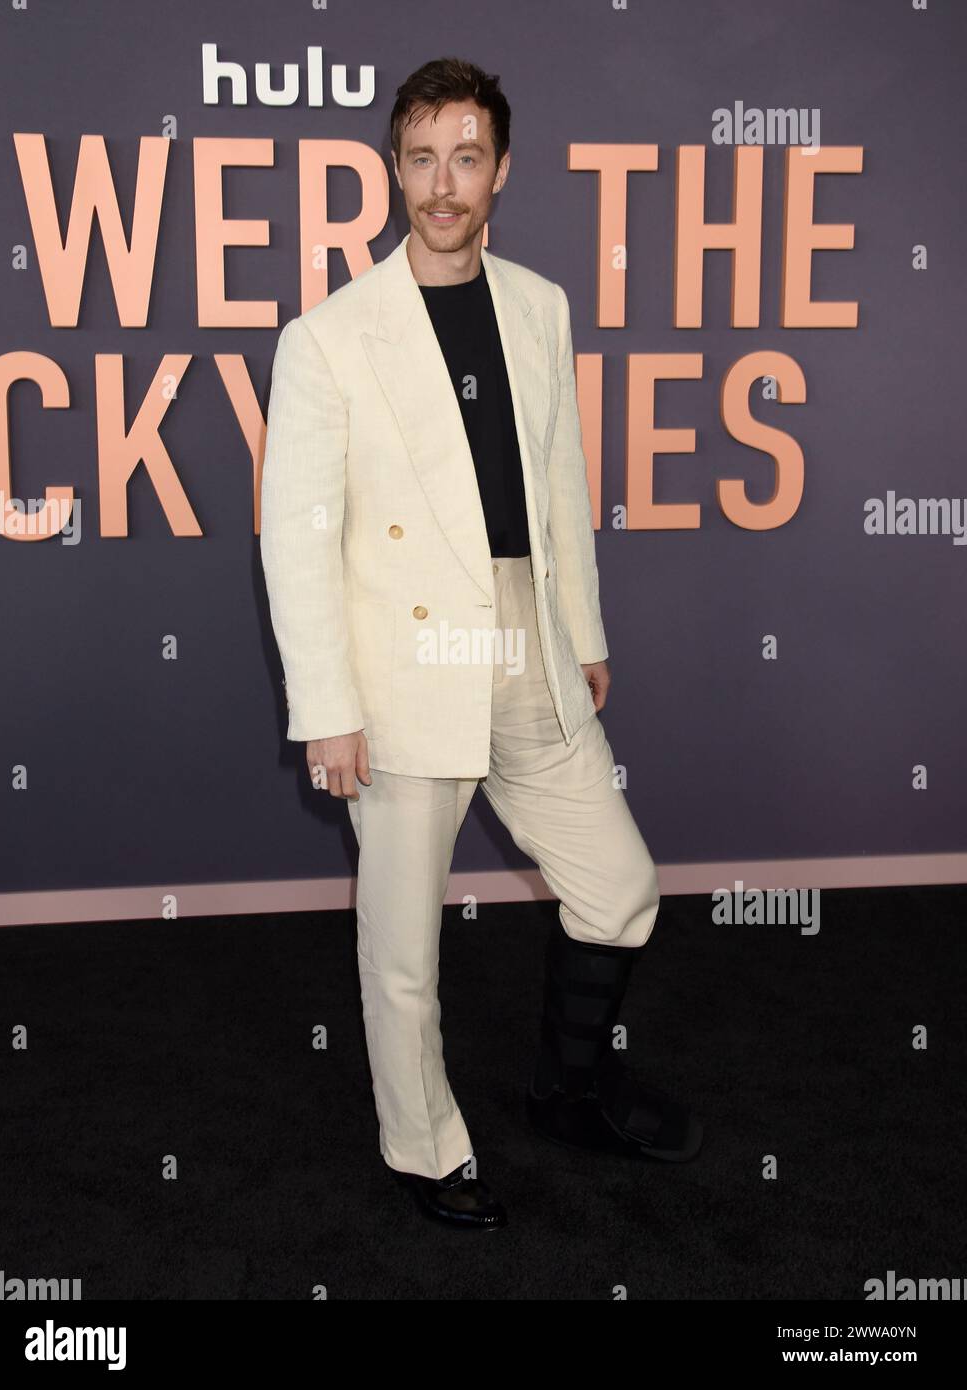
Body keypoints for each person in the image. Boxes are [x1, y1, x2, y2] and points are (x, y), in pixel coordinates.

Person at [260, 56, 703, 1232]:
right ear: (393, 170)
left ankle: (566, 1087)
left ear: (499, 168)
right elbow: (294, 541)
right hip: (402, 669)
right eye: (420, 159)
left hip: (524, 637)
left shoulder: (539, 304)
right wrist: (327, 709)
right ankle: (421, 1146)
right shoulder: (328, 338)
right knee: (403, 949)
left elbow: (560, 479)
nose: (441, 183)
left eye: (464, 157)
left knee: (617, 888)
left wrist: (581, 629)